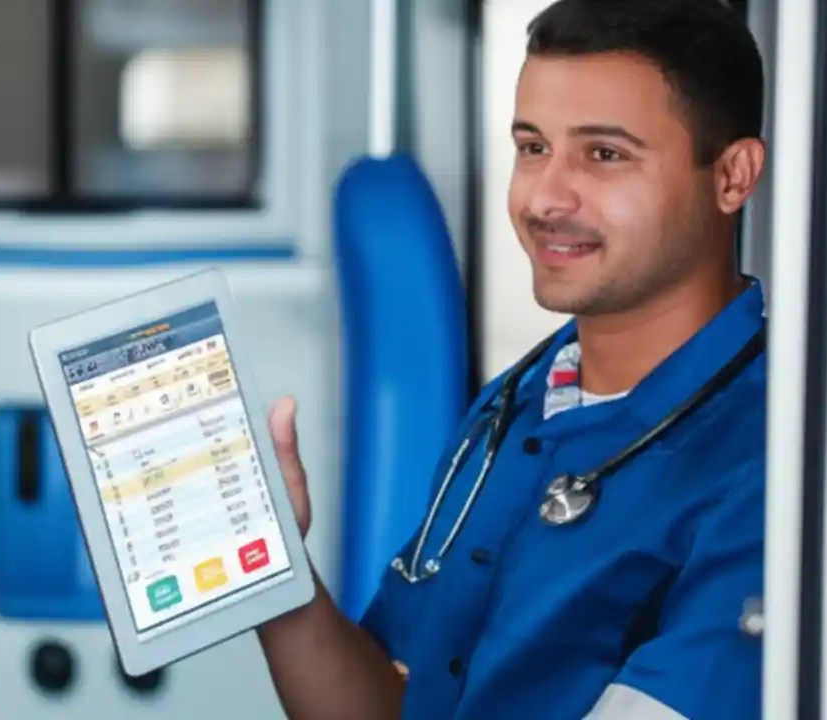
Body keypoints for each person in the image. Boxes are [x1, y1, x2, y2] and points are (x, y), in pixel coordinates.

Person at [258, 0, 768, 717]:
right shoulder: (514, 408)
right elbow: (392, 705)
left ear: (731, 176)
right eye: (532, 148)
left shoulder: (768, 463)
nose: (545, 198)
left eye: (604, 154)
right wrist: (272, 570)